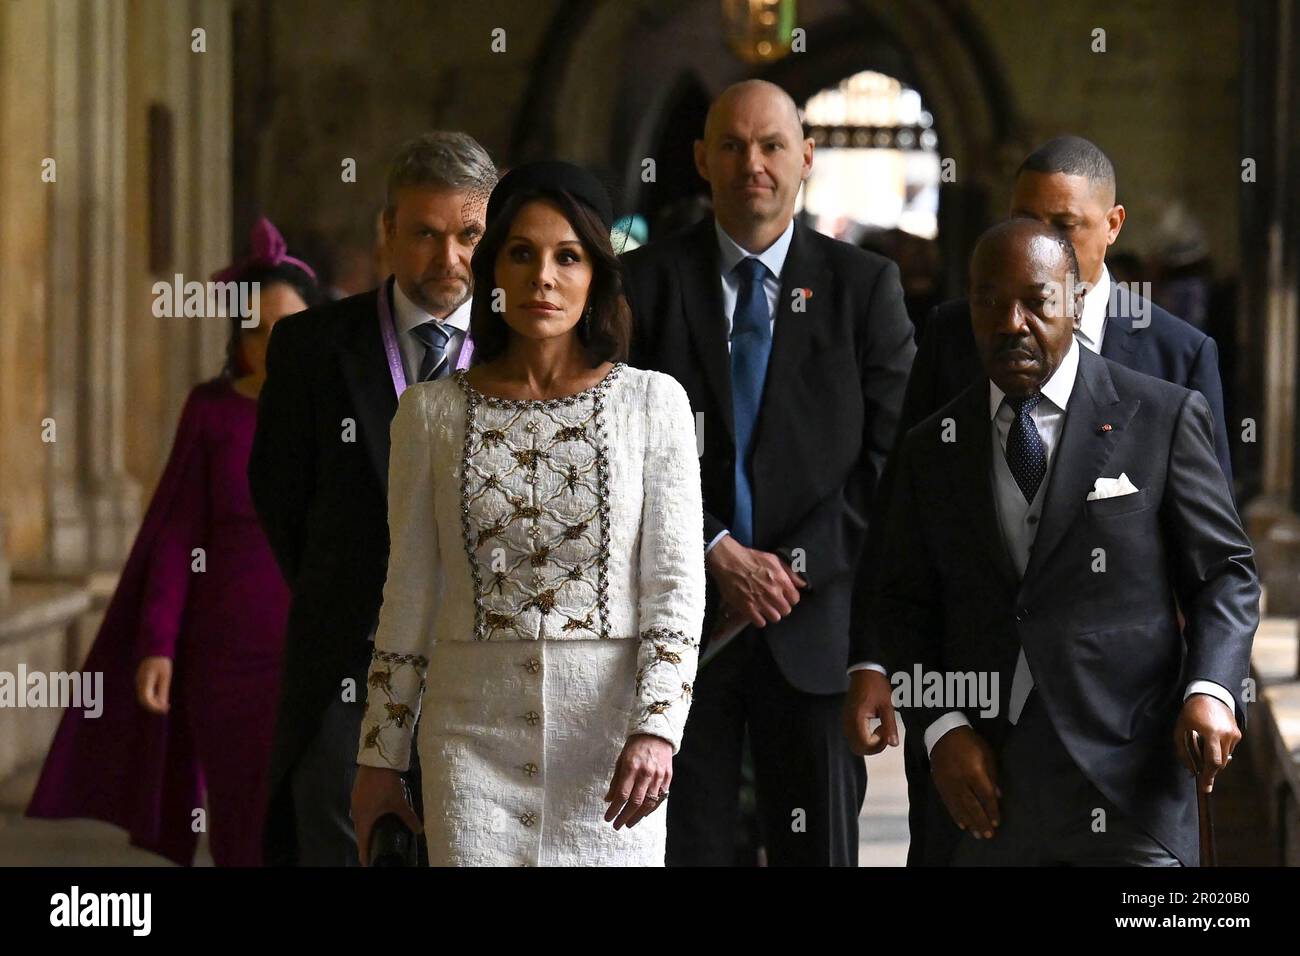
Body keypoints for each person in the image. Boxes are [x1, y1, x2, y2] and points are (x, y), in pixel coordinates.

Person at [845, 134, 1236, 866]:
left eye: (1061, 228)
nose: (1014, 320)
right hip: (980, 767)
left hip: (1124, 764)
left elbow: (1216, 563)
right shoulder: (956, 355)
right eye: (1023, 219)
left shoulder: (1175, 368)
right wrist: (931, 713)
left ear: (1110, 228)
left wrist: (1209, 684)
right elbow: (907, 556)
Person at [349, 160, 705, 866]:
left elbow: (676, 587)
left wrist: (657, 728)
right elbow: (409, 596)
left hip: (610, 754)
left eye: (568, 257)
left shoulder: (652, 404)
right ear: (494, 274)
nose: (544, 276)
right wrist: (379, 758)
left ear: (597, 275)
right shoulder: (430, 415)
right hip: (467, 745)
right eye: (523, 253)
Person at [622, 79, 915, 866]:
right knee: (687, 850)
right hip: (683, 634)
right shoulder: (645, 285)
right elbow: (617, 451)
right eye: (732, 145)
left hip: (813, 632)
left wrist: (791, 567)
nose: (753, 162)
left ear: (806, 158)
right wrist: (713, 546)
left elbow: (891, 463)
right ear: (701, 160)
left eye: (772, 144)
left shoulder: (864, 289)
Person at [27, 218, 320, 866]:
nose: (280, 346)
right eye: (264, 332)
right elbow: (175, 534)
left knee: (317, 818)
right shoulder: (211, 410)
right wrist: (158, 645)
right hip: (227, 658)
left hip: (318, 656)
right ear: (241, 340)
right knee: (243, 820)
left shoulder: (339, 413)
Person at [249, 132, 496, 866]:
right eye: (424, 233)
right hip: (345, 663)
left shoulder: (527, 346)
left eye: (469, 235)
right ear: (388, 230)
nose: (447, 259)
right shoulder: (311, 348)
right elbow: (280, 499)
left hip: (479, 668)